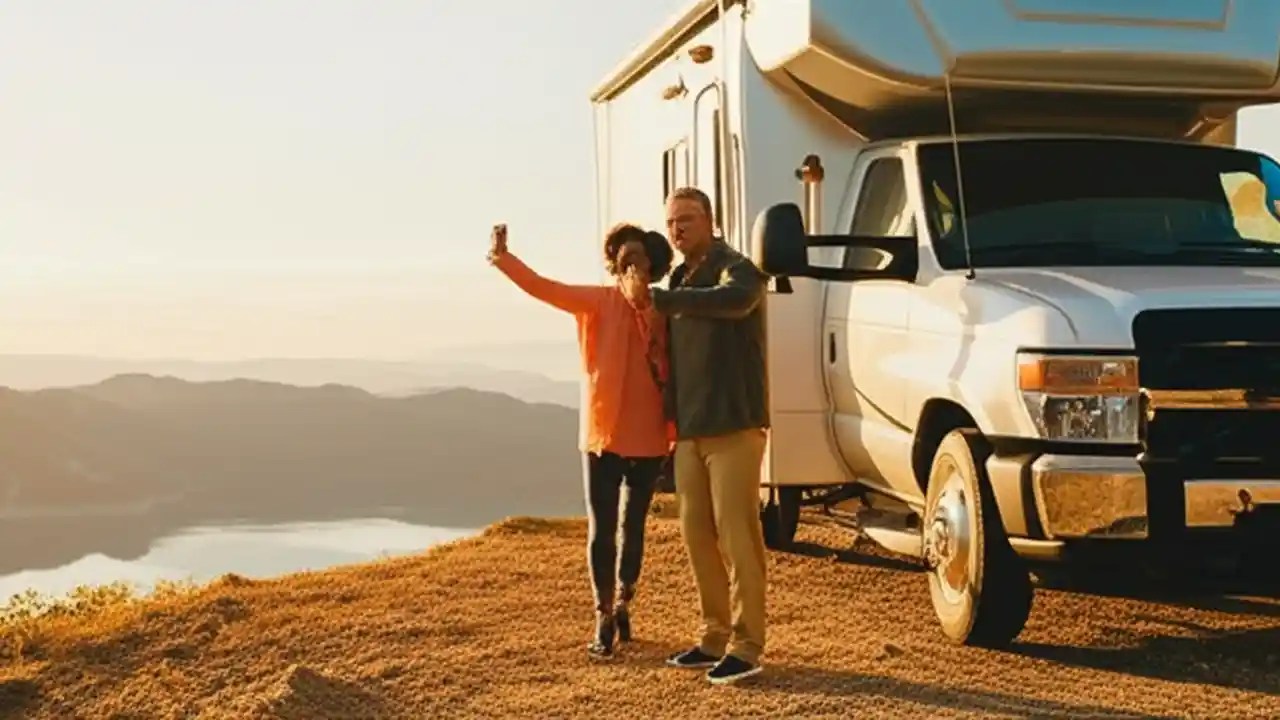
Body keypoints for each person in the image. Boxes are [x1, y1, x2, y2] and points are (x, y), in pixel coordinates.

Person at [488, 221, 675, 659]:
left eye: (638, 259)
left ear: (652, 266)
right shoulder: (598, 302)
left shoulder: (665, 310)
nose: (631, 267)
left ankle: (623, 601)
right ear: (615, 265)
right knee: (604, 528)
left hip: (646, 434)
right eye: (624, 260)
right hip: (604, 435)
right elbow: (545, 288)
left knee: (631, 526)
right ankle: (605, 614)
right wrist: (503, 258)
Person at [620, 186, 769, 686]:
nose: (677, 229)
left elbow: (736, 301)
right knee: (696, 534)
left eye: (686, 218)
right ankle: (713, 637)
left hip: (734, 425)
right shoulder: (680, 278)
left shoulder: (737, 268)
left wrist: (660, 299)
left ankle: (747, 647)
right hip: (691, 430)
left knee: (738, 535)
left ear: (710, 220)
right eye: (671, 222)